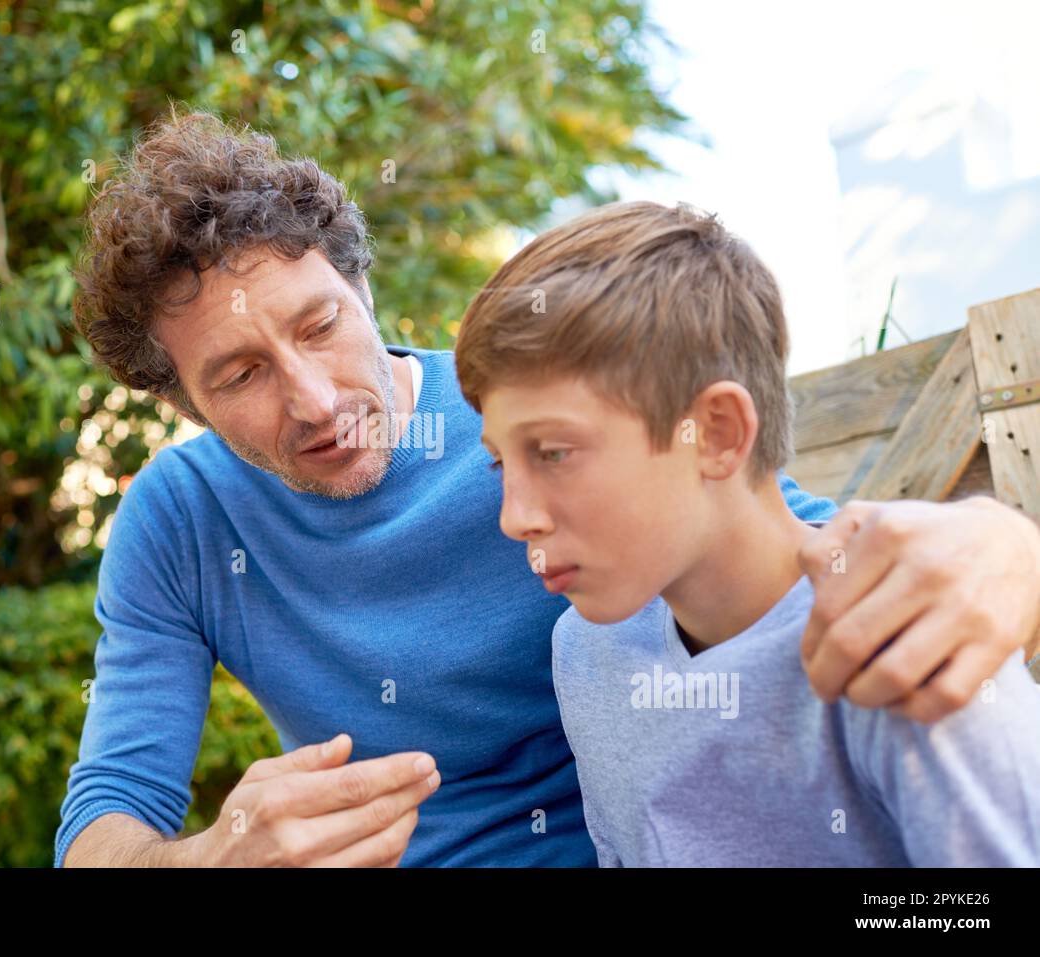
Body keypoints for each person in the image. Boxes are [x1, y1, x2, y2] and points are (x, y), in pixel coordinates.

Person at [58, 108, 1040, 867]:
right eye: (238, 375)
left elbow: (757, 542)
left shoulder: (535, 412)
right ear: (186, 406)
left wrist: (1008, 546)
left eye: (318, 326)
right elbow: (104, 827)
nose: (313, 400)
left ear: (362, 290)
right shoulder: (179, 522)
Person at [457, 199, 1040, 865]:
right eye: (502, 463)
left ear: (717, 433)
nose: (514, 517)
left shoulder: (904, 637)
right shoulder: (586, 653)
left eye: (553, 452)